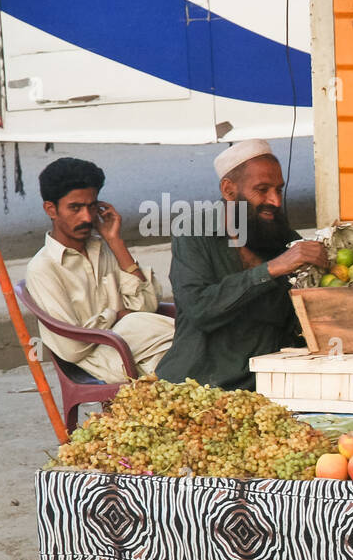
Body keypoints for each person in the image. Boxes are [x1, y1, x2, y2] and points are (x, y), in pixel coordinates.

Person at [155, 140, 328, 390]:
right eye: (262, 189)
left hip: (265, 383)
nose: (276, 201)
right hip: (198, 384)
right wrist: (271, 269)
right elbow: (200, 308)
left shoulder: (286, 241)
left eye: (279, 190)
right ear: (229, 190)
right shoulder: (194, 233)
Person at [26, 158, 175, 382]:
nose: (87, 217)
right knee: (189, 354)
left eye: (92, 206)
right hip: (99, 360)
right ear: (51, 209)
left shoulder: (102, 249)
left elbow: (146, 305)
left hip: (135, 344)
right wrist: (114, 315)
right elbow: (71, 348)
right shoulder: (43, 268)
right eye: (75, 208)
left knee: (196, 353)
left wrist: (116, 242)